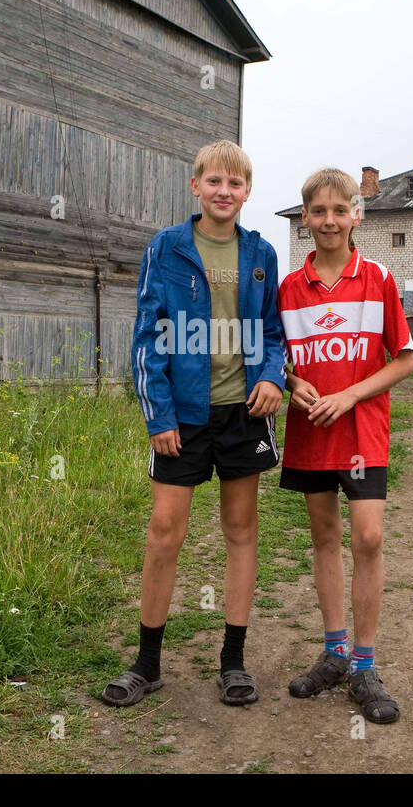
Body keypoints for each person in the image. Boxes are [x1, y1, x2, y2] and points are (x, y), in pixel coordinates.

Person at [101, 140, 288, 708]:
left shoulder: (261, 254)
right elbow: (147, 337)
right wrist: (157, 413)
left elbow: (274, 333)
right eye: (214, 182)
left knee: (241, 531)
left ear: (247, 192)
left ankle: (232, 661)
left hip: (242, 414)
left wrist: (273, 378)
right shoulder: (167, 248)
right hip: (181, 417)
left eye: (235, 184)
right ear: (196, 187)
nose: (224, 191)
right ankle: (147, 664)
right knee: (164, 532)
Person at [279, 168, 413, 724]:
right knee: (324, 536)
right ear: (305, 218)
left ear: (357, 215)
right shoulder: (289, 288)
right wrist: (292, 383)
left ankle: (365, 663)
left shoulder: (379, 279)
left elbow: (405, 359)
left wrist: (351, 395)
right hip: (312, 429)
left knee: (369, 535)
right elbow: (275, 360)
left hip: (363, 432)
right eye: (319, 211)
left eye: (342, 210)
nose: (330, 220)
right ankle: (335, 652)